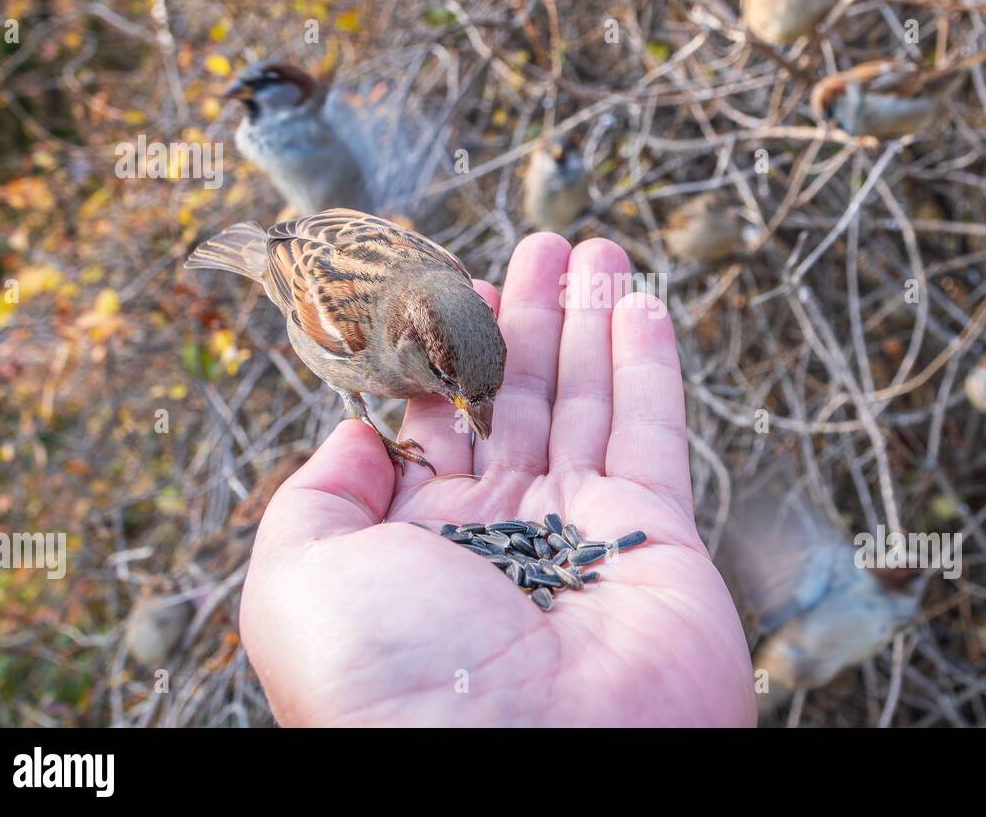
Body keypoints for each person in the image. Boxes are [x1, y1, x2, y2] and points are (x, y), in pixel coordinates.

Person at [239, 233, 757, 726]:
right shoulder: (352, 326)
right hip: (295, 267)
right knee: (359, 421)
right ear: (406, 342)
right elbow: (304, 278)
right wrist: (377, 436)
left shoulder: (450, 280)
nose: (477, 413)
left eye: (487, 393)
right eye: (455, 387)